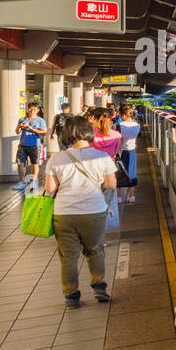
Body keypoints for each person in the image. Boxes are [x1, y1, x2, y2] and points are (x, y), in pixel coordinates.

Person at [45, 117, 116, 308]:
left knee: (68, 257)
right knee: (95, 250)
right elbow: (111, 184)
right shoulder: (102, 157)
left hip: (64, 213)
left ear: (67, 133)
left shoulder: (56, 158)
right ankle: (99, 286)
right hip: (94, 210)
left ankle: (71, 297)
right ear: (89, 132)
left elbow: (50, 188)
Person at [15, 103, 46, 190]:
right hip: (22, 145)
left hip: (35, 145)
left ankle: (33, 182)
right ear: (28, 109)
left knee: (35, 164)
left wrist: (29, 127)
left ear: (38, 110)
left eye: (35, 109)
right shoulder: (22, 119)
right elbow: (17, 132)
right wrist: (19, 126)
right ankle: (22, 181)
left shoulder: (40, 121)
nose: (32, 111)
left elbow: (44, 132)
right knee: (19, 163)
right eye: (31, 109)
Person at [116, 105, 141, 205]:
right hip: (131, 151)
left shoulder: (117, 126)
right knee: (132, 172)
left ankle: (118, 197)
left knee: (118, 172)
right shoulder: (137, 126)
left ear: (123, 115)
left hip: (120, 151)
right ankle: (131, 196)